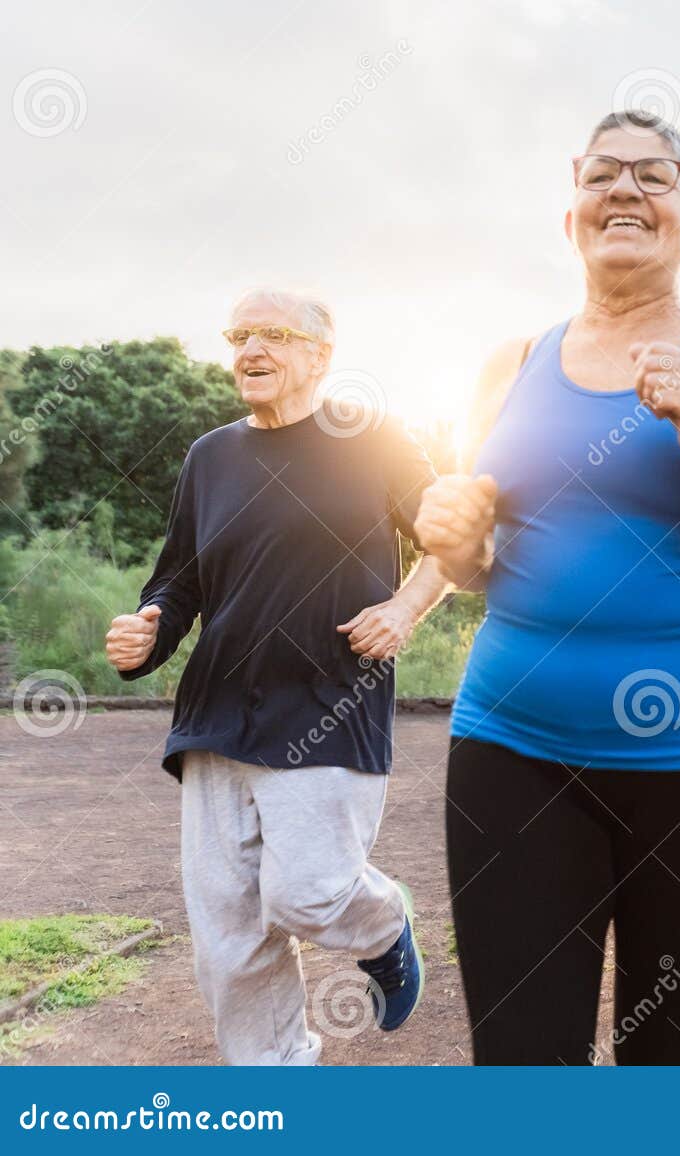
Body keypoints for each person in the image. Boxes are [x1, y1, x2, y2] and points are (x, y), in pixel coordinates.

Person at [414, 109, 680, 1065]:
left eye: (657, 176)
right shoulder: (509, 365)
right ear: (572, 216)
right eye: (602, 173)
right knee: (521, 1059)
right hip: (514, 743)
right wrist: (456, 540)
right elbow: (476, 563)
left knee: (666, 1058)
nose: (624, 190)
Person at [105, 288, 448, 1065]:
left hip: (329, 700)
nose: (249, 352)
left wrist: (406, 608)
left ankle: (385, 925)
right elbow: (179, 583)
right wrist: (144, 632)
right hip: (216, 717)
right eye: (239, 336)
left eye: (272, 335)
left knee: (306, 893)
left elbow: (453, 542)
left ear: (320, 356)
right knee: (228, 940)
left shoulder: (372, 440)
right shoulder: (210, 456)